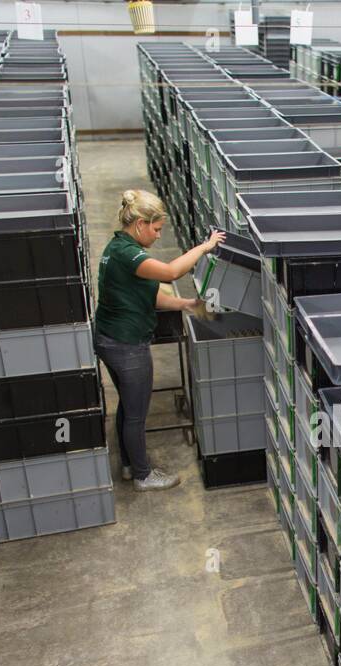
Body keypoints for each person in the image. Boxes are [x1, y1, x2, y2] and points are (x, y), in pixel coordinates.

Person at [95, 189, 224, 492]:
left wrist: (186, 304)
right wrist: (205, 247)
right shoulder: (128, 254)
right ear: (139, 223)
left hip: (110, 338)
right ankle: (143, 475)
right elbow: (170, 273)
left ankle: (129, 466)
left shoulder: (120, 248)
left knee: (128, 407)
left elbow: (147, 294)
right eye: (156, 229)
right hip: (125, 344)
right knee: (136, 413)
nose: (158, 235)